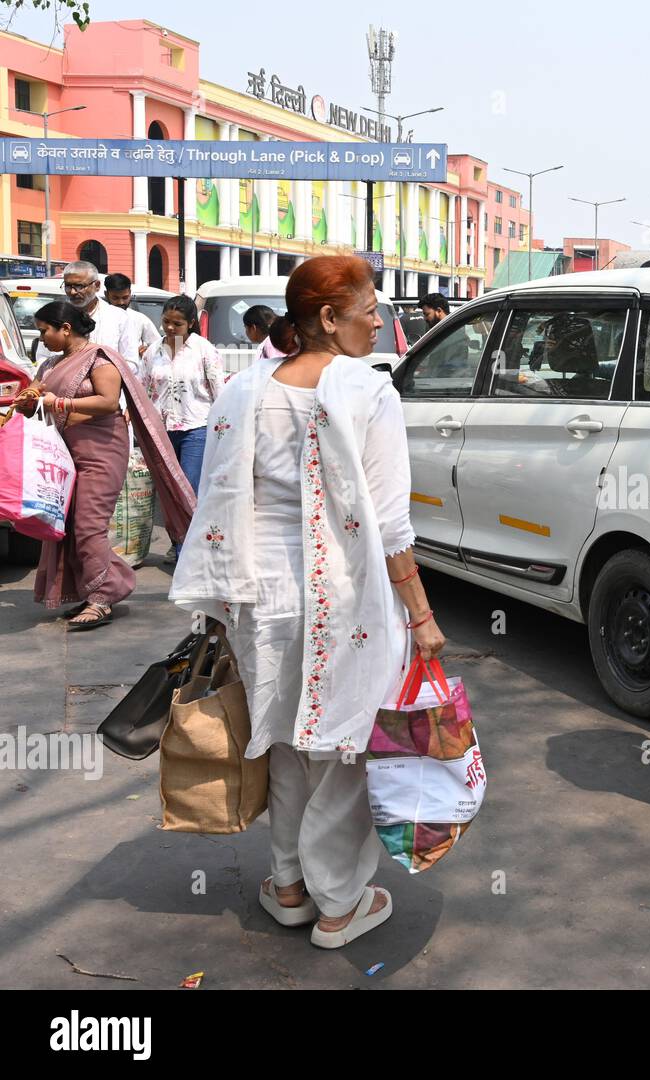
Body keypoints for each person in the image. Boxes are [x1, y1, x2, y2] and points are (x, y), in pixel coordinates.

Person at [169, 255, 447, 949]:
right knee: (346, 749)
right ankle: (340, 903)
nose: (378, 320)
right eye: (367, 309)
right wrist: (422, 615)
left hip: (259, 597)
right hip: (343, 597)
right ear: (328, 318)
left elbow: (223, 499)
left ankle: (288, 885)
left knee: (286, 742)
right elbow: (389, 528)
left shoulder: (243, 387)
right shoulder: (367, 390)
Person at [13, 301, 193, 630]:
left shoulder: (100, 357)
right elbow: (37, 401)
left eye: (44, 331)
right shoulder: (51, 364)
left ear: (65, 329)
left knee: (88, 525)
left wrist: (60, 402)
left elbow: (108, 402)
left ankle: (103, 597)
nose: (41, 339)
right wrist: (28, 399)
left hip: (101, 451)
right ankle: (98, 586)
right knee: (65, 527)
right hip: (61, 455)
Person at [140, 294, 225, 510]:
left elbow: (219, 392)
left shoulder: (204, 349)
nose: (169, 327)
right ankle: (177, 538)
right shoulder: (153, 351)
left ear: (191, 323)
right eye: (166, 321)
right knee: (167, 490)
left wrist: (223, 429)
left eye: (177, 324)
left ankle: (186, 543)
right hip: (161, 429)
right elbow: (143, 387)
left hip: (195, 427)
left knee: (188, 488)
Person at [34, 262, 134, 370]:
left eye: (79, 286)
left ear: (97, 286)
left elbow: (131, 362)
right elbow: (42, 358)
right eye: (68, 286)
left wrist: (100, 377)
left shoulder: (119, 317)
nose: (72, 292)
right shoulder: (54, 314)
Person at [103, 272, 162, 364]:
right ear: (106, 295)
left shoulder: (140, 319)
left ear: (130, 293)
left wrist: (149, 351)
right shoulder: (99, 318)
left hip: (134, 373)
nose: (121, 302)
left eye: (125, 297)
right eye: (115, 298)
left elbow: (158, 345)